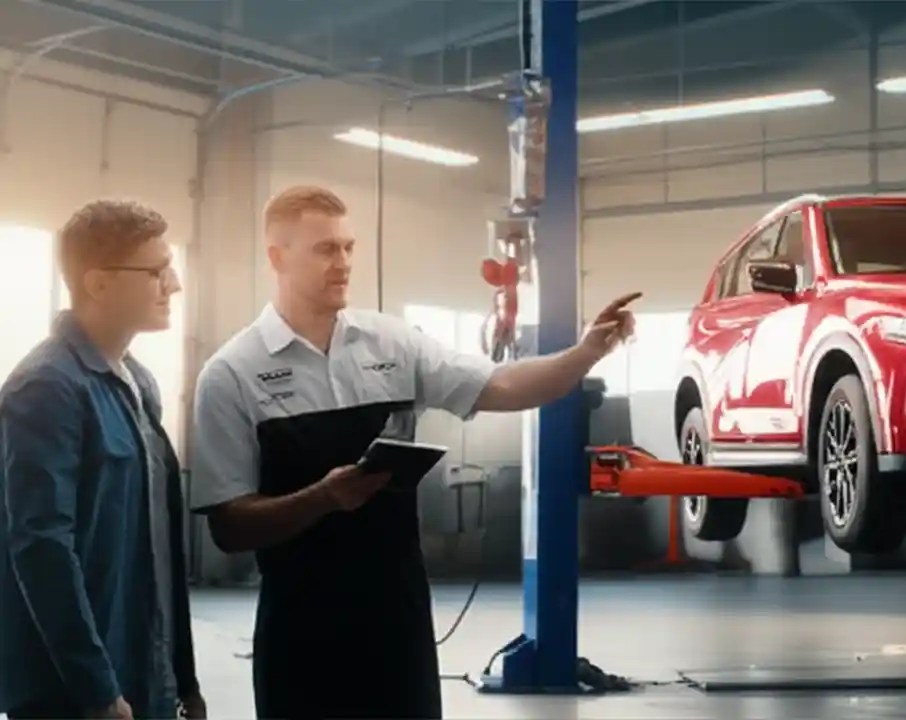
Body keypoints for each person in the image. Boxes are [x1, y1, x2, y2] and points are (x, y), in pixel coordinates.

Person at [189, 185, 637, 718]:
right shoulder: (232, 374)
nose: (343, 263)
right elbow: (229, 526)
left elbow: (506, 385)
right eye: (325, 249)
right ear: (277, 257)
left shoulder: (392, 345)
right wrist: (322, 498)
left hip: (397, 618)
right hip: (301, 627)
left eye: (348, 247)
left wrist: (587, 351)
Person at [0, 200, 204, 719]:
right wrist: (96, 691)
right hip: (75, 695)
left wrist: (182, 677)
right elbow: (41, 547)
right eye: (156, 271)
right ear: (98, 284)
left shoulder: (139, 384)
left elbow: (158, 550)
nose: (173, 284)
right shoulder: (47, 387)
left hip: (146, 675)